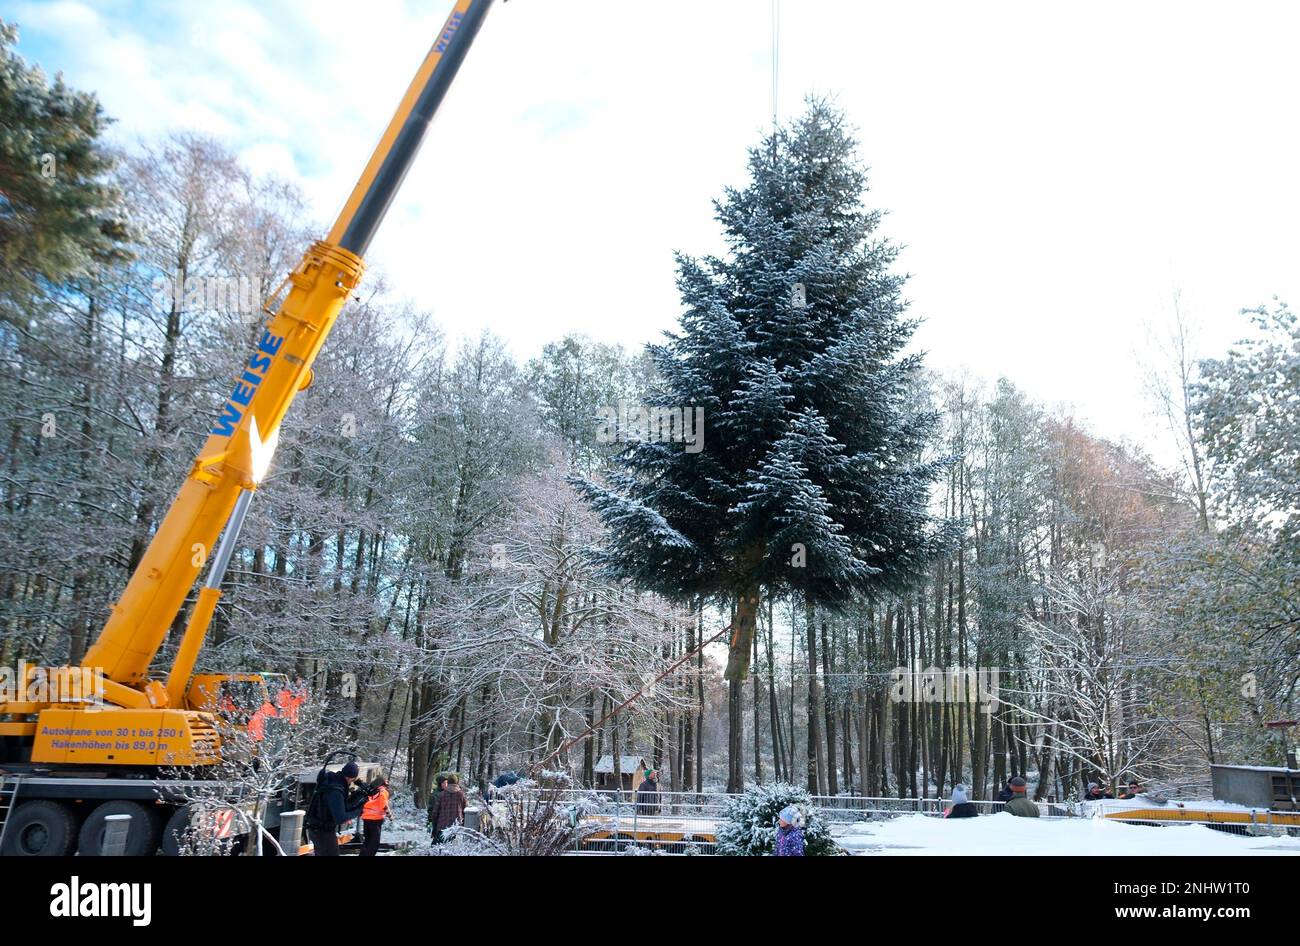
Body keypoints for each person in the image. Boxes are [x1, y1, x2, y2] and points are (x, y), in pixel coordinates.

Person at [306, 761, 370, 855]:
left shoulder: (334, 782)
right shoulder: (335, 790)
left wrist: (358, 796)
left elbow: (341, 806)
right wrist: (360, 810)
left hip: (318, 829)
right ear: (351, 777)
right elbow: (341, 817)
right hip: (322, 831)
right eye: (353, 780)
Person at [359, 771, 391, 857]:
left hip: (366, 819)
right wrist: (389, 815)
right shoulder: (383, 792)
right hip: (375, 820)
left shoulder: (371, 791)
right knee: (374, 844)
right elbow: (383, 806)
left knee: (367, 841)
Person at [433, 773, 467, 840]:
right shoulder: (461, 794)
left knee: (441, 848)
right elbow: (466, 811)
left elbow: (435, 813)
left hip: (442, 827)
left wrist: (434, 827)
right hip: (457, 828)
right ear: (457, 782)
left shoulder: (441, 795)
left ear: (448, 782)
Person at [427, 774, 448, 840]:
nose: (446, 785)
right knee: (437, 838)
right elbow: (431, 809)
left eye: (447, 783)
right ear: (440, 784)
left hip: (444, 820)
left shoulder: (446, 793)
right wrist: (430, 820)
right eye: (444, 783)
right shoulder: (435, 795)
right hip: (437, 820)